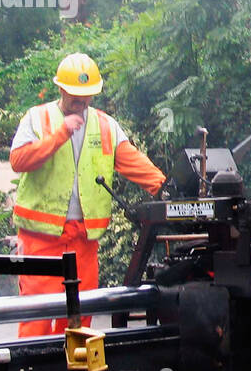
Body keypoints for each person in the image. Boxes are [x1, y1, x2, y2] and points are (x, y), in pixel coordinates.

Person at [10, 53, 166, 337]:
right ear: (61, 89)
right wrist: (59, 134)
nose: (81, 103)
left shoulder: (105, 125)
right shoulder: (37, 118)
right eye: (75, 97)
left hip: (83, 240)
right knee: (38, 316)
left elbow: (134, 163)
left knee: (79, 317)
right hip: (40, 241)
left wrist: (165, 188)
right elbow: (19, 161)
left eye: (87, 96)